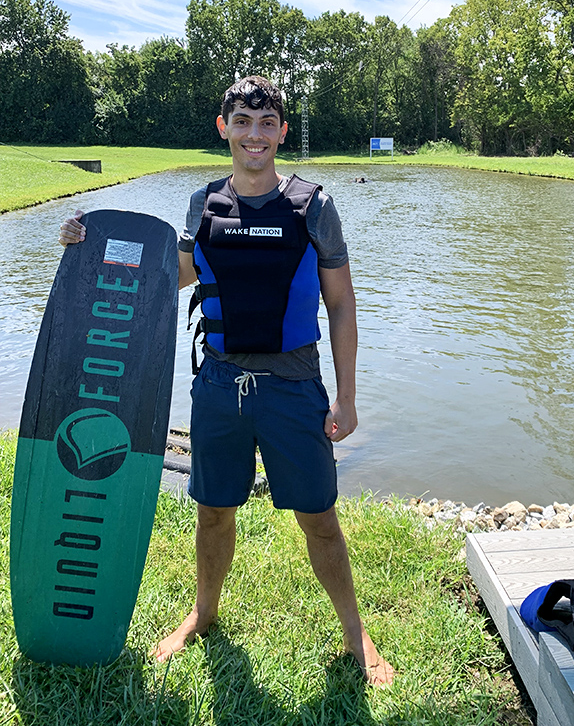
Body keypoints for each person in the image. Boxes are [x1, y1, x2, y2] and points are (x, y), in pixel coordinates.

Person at [59, 75, 393, 686]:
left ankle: (356, 635)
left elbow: (341, 304)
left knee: (319, 518)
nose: (255, 135)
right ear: (224, 129)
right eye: (243, 122)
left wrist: (346, 396)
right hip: (218, 386)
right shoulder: (203, 203)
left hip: (294, 389)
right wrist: (92, 244)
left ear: (282, 132)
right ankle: (203, 615)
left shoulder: (314, 205)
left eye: (267, 123)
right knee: (213, 513)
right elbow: (172, 275)